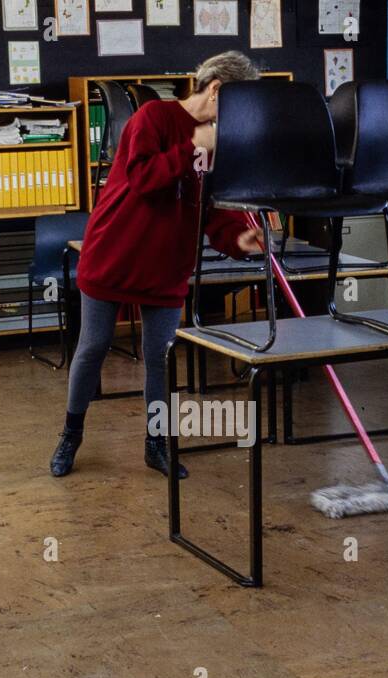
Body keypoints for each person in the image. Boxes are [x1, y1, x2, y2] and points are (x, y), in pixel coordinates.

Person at [50, 51, 266, 479]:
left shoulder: (220, 142)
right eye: (241, 106)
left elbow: (214, 212)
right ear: (218, 90)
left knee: (160, 357)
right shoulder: (154, 118)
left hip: (166, 267)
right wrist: (191, 147)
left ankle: (157, 443)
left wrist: (238, 239)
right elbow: (145, 180)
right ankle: (70, 435)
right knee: (92, 348)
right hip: (114, 255)